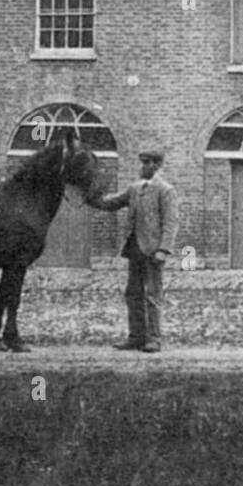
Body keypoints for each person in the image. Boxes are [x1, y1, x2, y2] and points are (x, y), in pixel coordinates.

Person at [89, 150, 179, 352]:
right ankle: (136, 337)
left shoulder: (166, 190)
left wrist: (163, 249)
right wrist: (91, 197)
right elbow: (112, 203)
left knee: (152, 294)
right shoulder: (134, 189)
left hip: (153, 251)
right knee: (133, 294)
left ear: (156, 165)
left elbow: (171, 223)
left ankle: (154, 338)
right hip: (134, 249)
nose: (142, 166)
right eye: (142, 162)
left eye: (146, 163)